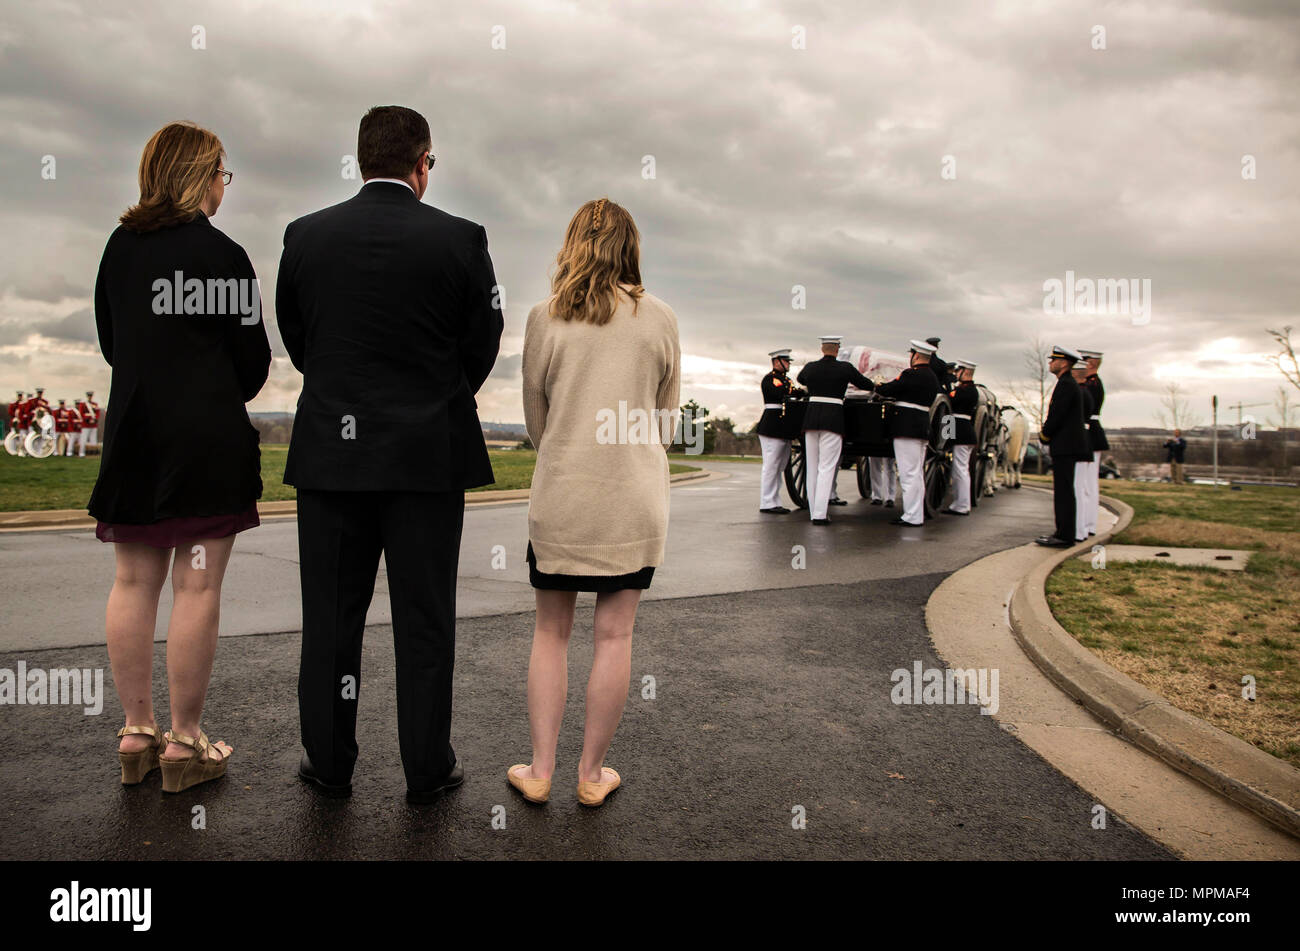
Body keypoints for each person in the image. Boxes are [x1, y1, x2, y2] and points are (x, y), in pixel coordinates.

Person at [278, 105, 502, 803]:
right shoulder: (463, 240)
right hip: (426, 457)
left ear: (360, 158)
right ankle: (426, 767)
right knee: (425, 620)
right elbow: (482, 340)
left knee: (331, 622)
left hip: (331, 461)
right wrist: (437, 396)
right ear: (422, 164)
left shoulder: (305, 236)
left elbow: (297, 336)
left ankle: (330, 762)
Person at [90, 120, 271, 792]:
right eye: (224, 171)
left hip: (136, 435)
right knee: (197, 587)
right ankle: (186, 742)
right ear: (202, 174)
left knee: (132, 583)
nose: (227, 184)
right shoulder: (226, 255)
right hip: (207, 445)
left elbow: (113, 342)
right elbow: (253, 366)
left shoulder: (118, 246)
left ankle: (137, 731)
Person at [513, 197, 681, 808]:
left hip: (564, 494)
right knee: (615, 636)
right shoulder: (660, 318)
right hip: (632, 500)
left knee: (551, 632)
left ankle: (539, 770)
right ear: (631, 247)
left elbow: (538, 421)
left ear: (571, 245)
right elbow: (666, 423)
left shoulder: (543, 318)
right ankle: (591, 774)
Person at [796, 335, 875, 525]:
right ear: (837, 349)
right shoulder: (844, 368)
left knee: (813, 468)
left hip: (811, 419)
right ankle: (820, 515)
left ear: (822, 348)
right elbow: (865, 384)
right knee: (826, 468)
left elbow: (800, 379)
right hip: (832, 420)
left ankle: (814, 511)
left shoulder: (810, 367)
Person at [876, 340, 940, 526]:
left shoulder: (910, 374)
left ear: (916, 356)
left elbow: (891, 389)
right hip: (921, 427)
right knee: (916, 473)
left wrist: (878, 386)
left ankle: (912, 516)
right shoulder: (932, 377)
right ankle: (916, 513)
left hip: (906, 427)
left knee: (908, 474)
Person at [1034, 346, 1090, 547]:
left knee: (1064, 492)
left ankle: (1064, 535)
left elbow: (1056, 415)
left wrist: (1044, 435)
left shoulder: (1066, 385)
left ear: (1064, 363)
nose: (1050, 363)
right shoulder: (1066, 383)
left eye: (1054, 360)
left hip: (1066, 445)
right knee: (1064, 491)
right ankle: (1063, 532)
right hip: (1067, 444)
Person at [756, 348, 800, 514]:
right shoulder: (770, 379)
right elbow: (777, 392)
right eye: (786, 361)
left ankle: (774, 500)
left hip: (782, 426)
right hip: (771, 424)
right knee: (771, 465)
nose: (788, 364)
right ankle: (767, 502)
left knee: (780, 465)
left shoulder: (785, 380)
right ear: (776, 362)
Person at [943, 359, 978, 516]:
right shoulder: (965, 389)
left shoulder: (966, 390)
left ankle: (963, 505)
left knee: (961, 470)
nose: (956, 373)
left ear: (966, 372)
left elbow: (950, 399)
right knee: (959, 470)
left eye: (959, 371)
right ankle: (959, 503)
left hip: (962, 432)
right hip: (961, 431)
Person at [1079, 349, 1107, 534]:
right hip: (1093, 433)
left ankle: (1087, 524)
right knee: (1089, 483)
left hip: (1091, 433)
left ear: (1090, 363)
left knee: (1087, 484)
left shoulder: (1091, 384)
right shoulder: (1094, 383)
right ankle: (1088, 524)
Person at [1071, 358, 1095, 542]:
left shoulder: (1081, 392)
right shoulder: (1085, 392)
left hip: (1079, 441)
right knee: (1082, 487)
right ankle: (1083, 528)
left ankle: (1079, 530)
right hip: (1084, 441)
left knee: (1078, 488)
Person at [76, 390, 101, 455]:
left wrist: (95, 420)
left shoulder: (95, 404)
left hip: (93, 424)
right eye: (89, 396)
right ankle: (81, 452)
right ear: (87, 396)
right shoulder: (83, 404)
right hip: (85, 424)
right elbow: (81, 413)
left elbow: (97, 413)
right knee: (83, 439)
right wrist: (88, 420)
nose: (90, 397)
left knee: (93, 439)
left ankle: (93, 452)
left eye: (91, 396)